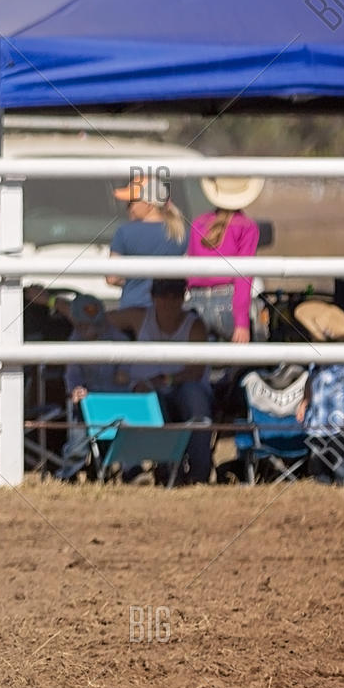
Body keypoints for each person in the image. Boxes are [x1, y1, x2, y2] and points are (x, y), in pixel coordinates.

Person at [115, 278, 212, 485]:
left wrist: (164, 380)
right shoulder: (138, 317)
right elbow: (95, 318)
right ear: (152, 296)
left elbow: (196, 372)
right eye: (163, 294)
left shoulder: (194, 326)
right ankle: (167, 468)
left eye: (175, 294)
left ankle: (199, 472)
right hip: (148, 392)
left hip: (183, 389)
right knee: (151, 401)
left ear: (183, 296)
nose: (169, 301)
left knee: (194, 398)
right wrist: (51, 302)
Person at [57, 294, 130, 482]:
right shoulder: (75, 342)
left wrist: (124, 375)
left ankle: (129, 470)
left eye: (95, 324)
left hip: (115, 400)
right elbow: (72, 375)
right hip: (88, 402)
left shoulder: (118, 340)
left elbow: (126, 376)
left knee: (125, 427)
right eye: (83, 325)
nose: (89, 330)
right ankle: (70, 472)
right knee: (78, 430)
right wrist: (76, 389)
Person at [186, 176, 263, 343]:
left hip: (195, 302)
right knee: (240, 362)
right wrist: (241, 322)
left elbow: (188, 269)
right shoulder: (247, 227)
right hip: (228, 303)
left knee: (200, 365)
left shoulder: (199, 223)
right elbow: (243, 274)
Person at [294, 301, 344, 486]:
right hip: (317, 419)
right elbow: (310, 382)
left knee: (341, 459)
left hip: (338, 421)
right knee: (317, 458)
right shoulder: (316, 362)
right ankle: (321, 483)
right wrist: (304, 402)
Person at [107, 175, 186, 310]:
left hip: (133, 310)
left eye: (132, 202)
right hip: (169, 313)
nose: (128, 208)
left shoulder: (124, 232)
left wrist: (135, 279)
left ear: (149, 204)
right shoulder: (182, 233)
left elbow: (112, 278)